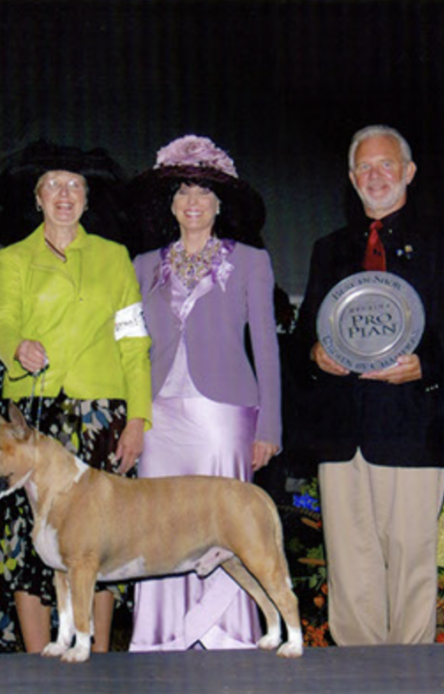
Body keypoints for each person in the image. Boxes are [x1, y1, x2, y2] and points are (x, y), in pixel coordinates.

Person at [0, 141, 152, 654]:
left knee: (99, 540)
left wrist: (138, 418)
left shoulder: (114, 257)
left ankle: (96, 655)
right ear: (36, 197)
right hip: (33, 416)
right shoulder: (14, 258)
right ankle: (38, 660)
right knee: (24, 537)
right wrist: (16, 345)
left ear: (87, 198)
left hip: (99, 413)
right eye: (53, 184)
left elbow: (134, 340)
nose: (65, 194)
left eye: (75, 186)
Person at [127, 134, 281, 652]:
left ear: (220, 204)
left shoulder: (252, 262)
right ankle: (161, 635)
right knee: (158, 527)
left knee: (229, 529)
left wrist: (269, 427)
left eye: (203, 194)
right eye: (183, 193)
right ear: (170, 204)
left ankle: (231, 634)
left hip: (225, 416)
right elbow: (129, 348)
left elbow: (267, 348)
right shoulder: (142, 265)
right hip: (159, 419)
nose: (192, 203)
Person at [295, 125, 444, 645]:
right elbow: (302, 339)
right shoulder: (327, 249)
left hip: (412, 432)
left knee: (412, 568)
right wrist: (314, 354)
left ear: (408, 173)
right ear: (352, 179)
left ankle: (415, 679)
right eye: (364, 167)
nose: (375, 175)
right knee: (349, 573)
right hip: (342, 436)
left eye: (386, 165)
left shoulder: (437, 246)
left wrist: (426, 365)